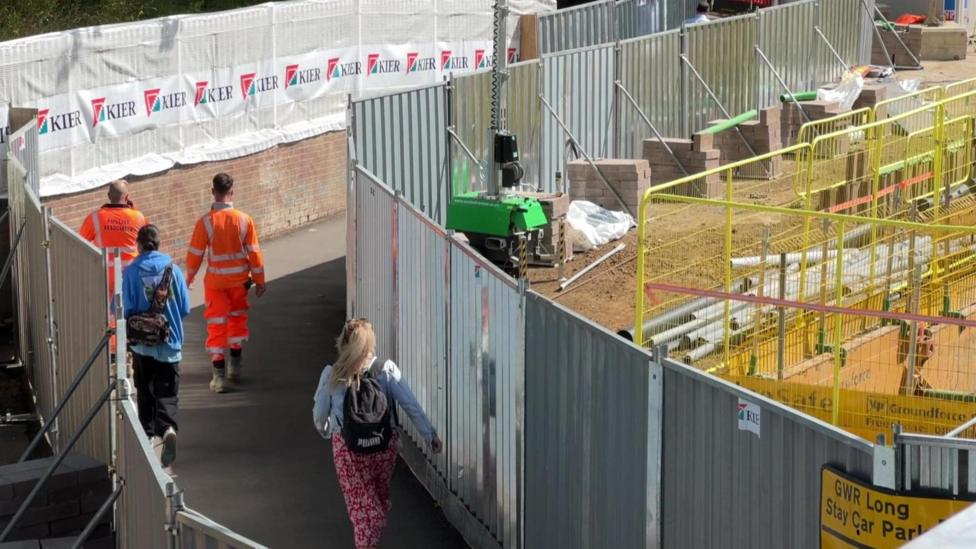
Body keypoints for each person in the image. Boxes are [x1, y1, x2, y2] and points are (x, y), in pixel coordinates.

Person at [313, 319, 443, 549]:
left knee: (367, 512)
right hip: (383, 449)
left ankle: (366, 539)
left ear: (342, 342)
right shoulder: (385, 369)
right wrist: (430, 435)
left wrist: (327, 431)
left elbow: (320, 415)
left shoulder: (332, 375)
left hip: (348, 452)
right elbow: (410, 404)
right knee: (374, 511)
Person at [185, 173, 266, 393]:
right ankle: (235, 367)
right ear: (232, 192)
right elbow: (255, 254)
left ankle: (219, 376)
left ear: (213, 192)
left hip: (216, 283)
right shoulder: (244, 220)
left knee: (216, 324)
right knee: (237, 320)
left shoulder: (205, 222)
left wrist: (188, 279)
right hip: (240, 282)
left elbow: (195, 255)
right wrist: (259, 281)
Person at [123, 225, 191, 467]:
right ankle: (168, 429)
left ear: (138, 245)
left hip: (142, 347)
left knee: (144, 391)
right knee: (168, 394)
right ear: (159, 244)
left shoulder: (131, 272)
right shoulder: (174, 270)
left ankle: (147, 438)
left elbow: (125, 310)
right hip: (170, 344)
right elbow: (184, 308)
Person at [79, 179, 149, 295]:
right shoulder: (138, 217)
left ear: (108, 196)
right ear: (127, 197)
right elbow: (148, 245)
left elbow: (80, 242)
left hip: (104, 275)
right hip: (131, 273)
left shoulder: (95, 217)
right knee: (130, 308)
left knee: (108, 310)